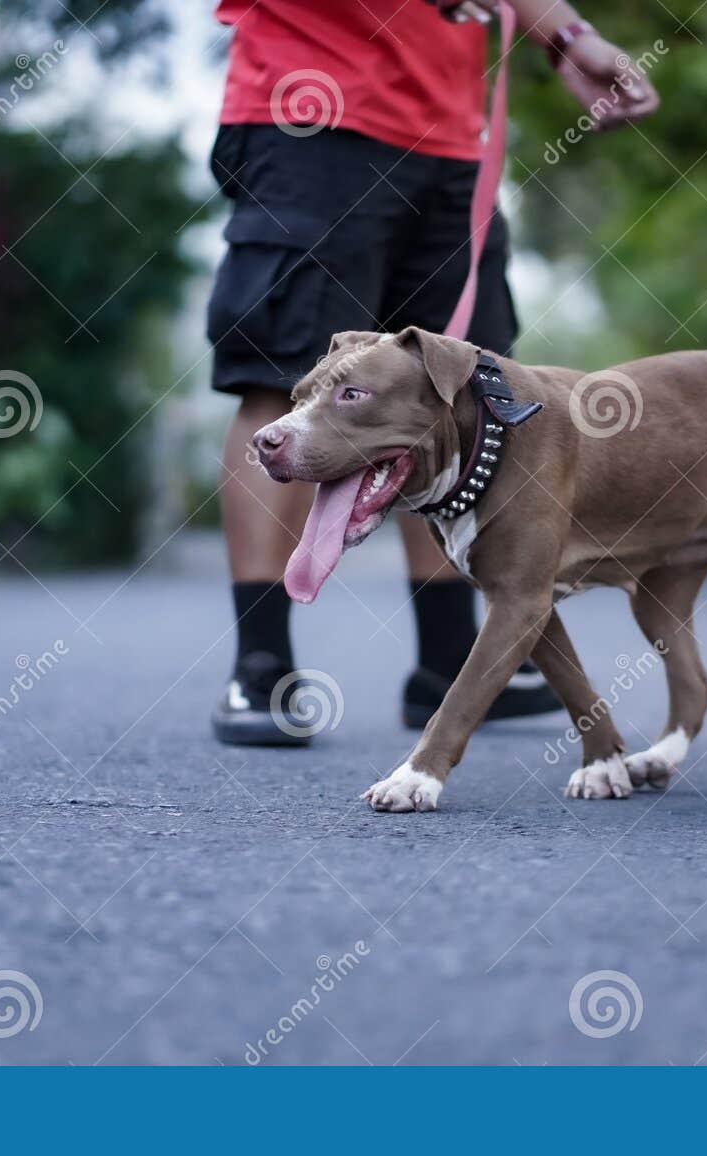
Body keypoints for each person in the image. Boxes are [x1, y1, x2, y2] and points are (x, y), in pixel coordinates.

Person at [207, 0, 660, 745]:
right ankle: (261, 669)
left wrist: (572, 39)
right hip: (310, 108)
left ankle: (448, 665)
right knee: (283, 377)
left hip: (450, 138)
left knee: (459, 395)